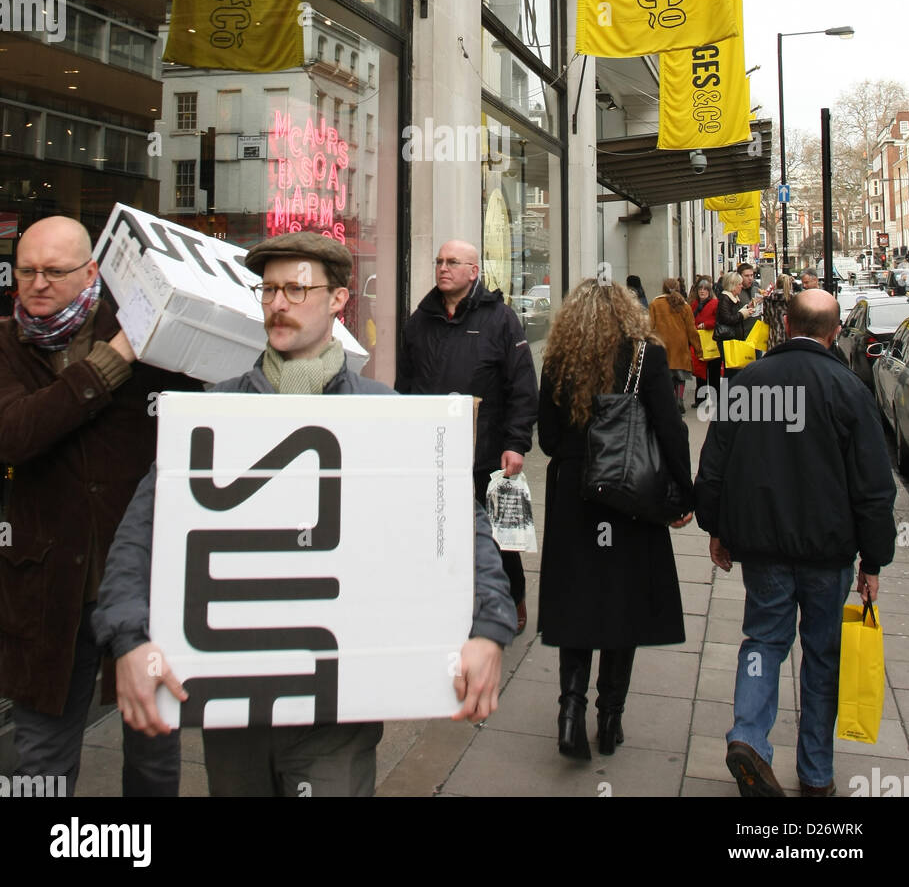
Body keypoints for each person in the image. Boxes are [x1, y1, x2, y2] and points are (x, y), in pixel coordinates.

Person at [94, 231, 516, 798]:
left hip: (336, 718)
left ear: (339, 300)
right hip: (232, 710)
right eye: (268, 290)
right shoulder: (213, 413)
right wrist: (128, 638)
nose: (277, 303)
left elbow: (465, 528)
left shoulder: (383, 414)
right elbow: (137, 538)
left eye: (296, 288)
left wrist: (489, 629)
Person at [0, 215, 197, 796]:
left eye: (55, 271)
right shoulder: (8, 344)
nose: (37, 283)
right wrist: (110, 362)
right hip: (43, 588)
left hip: (139, 581)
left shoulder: (147, 333)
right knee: (40, 761)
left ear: (91, 271)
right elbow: (14, 434)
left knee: (154, 752)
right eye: (26, 270)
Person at [694, 289, 896, 798]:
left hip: (763, 546)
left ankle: (748, 738)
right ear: (834, 334)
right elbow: (874, 486)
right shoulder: (849, 389)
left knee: (763, 641)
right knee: (822, 655)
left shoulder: (749, 382)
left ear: (785, 327)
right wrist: (875, 558)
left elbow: (713, 465)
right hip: (828, 551)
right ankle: (816, 774)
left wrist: (715, 526)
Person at [537, 280, 694, 760]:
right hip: (630, 496)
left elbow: (544, 437)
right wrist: (683, 495)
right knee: (623, 602)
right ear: (628, 313)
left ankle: (570, 713)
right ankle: (609, 719)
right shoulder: (646, 355)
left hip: (573, 496)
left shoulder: (560, 358)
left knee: (577, 600)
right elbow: (670, 427)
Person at [396, 239, 537, 632]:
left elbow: (522, 387)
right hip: (431, 450)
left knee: (494, 534)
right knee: (436, 528)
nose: (443, 268)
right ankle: (444, 599)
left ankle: (513, 598)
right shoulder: (419, 320)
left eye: (452, 262)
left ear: (473, 272)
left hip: (486, 451)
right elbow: (405, 384)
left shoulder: (501, 319)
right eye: (439, 261)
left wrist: (516, 443)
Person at [648, 276, 702, 413]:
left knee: (666, 376)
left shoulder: (655, 304)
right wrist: (698, 349)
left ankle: (669, 401)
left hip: (662, 345)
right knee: (680, 377)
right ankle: (679, 399)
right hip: (680, 345)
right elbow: (691, 330)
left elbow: (649, 326)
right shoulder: (684, 305)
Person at [714, 270, 755, 380]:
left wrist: (746, 308)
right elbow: (727, 318)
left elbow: (733, 314)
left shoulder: (732, 298)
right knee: (731, 371)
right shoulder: (725, 299)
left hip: (732, 339)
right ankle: (729, 394)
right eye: (739, 284)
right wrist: (743, 314)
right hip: (727, 339)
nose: (741, 286)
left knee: (735, 370)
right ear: (733, 285)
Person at [689, 277, 720, 409]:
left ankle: (715, 399)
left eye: (705, 289)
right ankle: (700, 399)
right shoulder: (694, 304)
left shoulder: (715, 303)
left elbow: (718, 321)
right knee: (700, 372)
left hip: (711, 342)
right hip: (698, 342)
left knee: (713, 373)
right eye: (700, 289)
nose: (702, 291)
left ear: (709, 291)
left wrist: (705, 325)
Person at [760, 272, 792, 351]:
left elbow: (766, 320)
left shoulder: (769, 299)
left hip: (774, 336)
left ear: (777, 283)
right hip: (790, 337)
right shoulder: (793, 299)